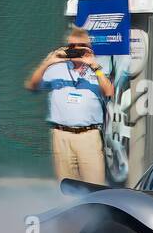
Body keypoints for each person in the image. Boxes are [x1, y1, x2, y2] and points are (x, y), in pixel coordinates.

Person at [25, 26, 114, 184]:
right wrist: (48, 62)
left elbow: (108, 92)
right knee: (66, 187)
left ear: (89, 48)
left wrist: (94, 66)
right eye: (71, 46)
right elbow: (31, 86)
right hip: (61, 136)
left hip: (89, 136)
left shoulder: (98, 68)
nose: (75, 50)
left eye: (80, 46)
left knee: (95, 186)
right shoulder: (56, 68)